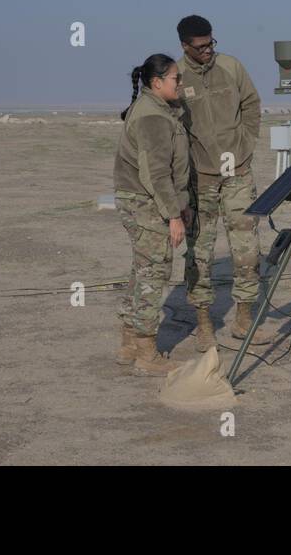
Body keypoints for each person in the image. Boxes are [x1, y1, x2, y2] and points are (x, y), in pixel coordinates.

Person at [175, 14, 270, 349]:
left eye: (211, 44)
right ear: (185, 46)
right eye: (200, 47)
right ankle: (203, 324)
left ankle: (244, 320)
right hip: (198, 180)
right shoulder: (176, 76)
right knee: (198, 254)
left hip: (237, 174)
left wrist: (244, 148)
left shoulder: (231, 67)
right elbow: (171, 127)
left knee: (246, 250)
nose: (207, 52)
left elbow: (252, 106)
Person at [113, 54, 196, 374]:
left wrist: (182, 203)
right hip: (145, 202)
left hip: (143, 200)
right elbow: (156, 174)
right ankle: (146, 355)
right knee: (154, 272)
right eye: (176, 79)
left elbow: (171, 169)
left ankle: (129, 344)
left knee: (142, 269)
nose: (181, 84)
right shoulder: (152, 116)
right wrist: (173, 216)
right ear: (157, 83)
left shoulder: (159, 109)